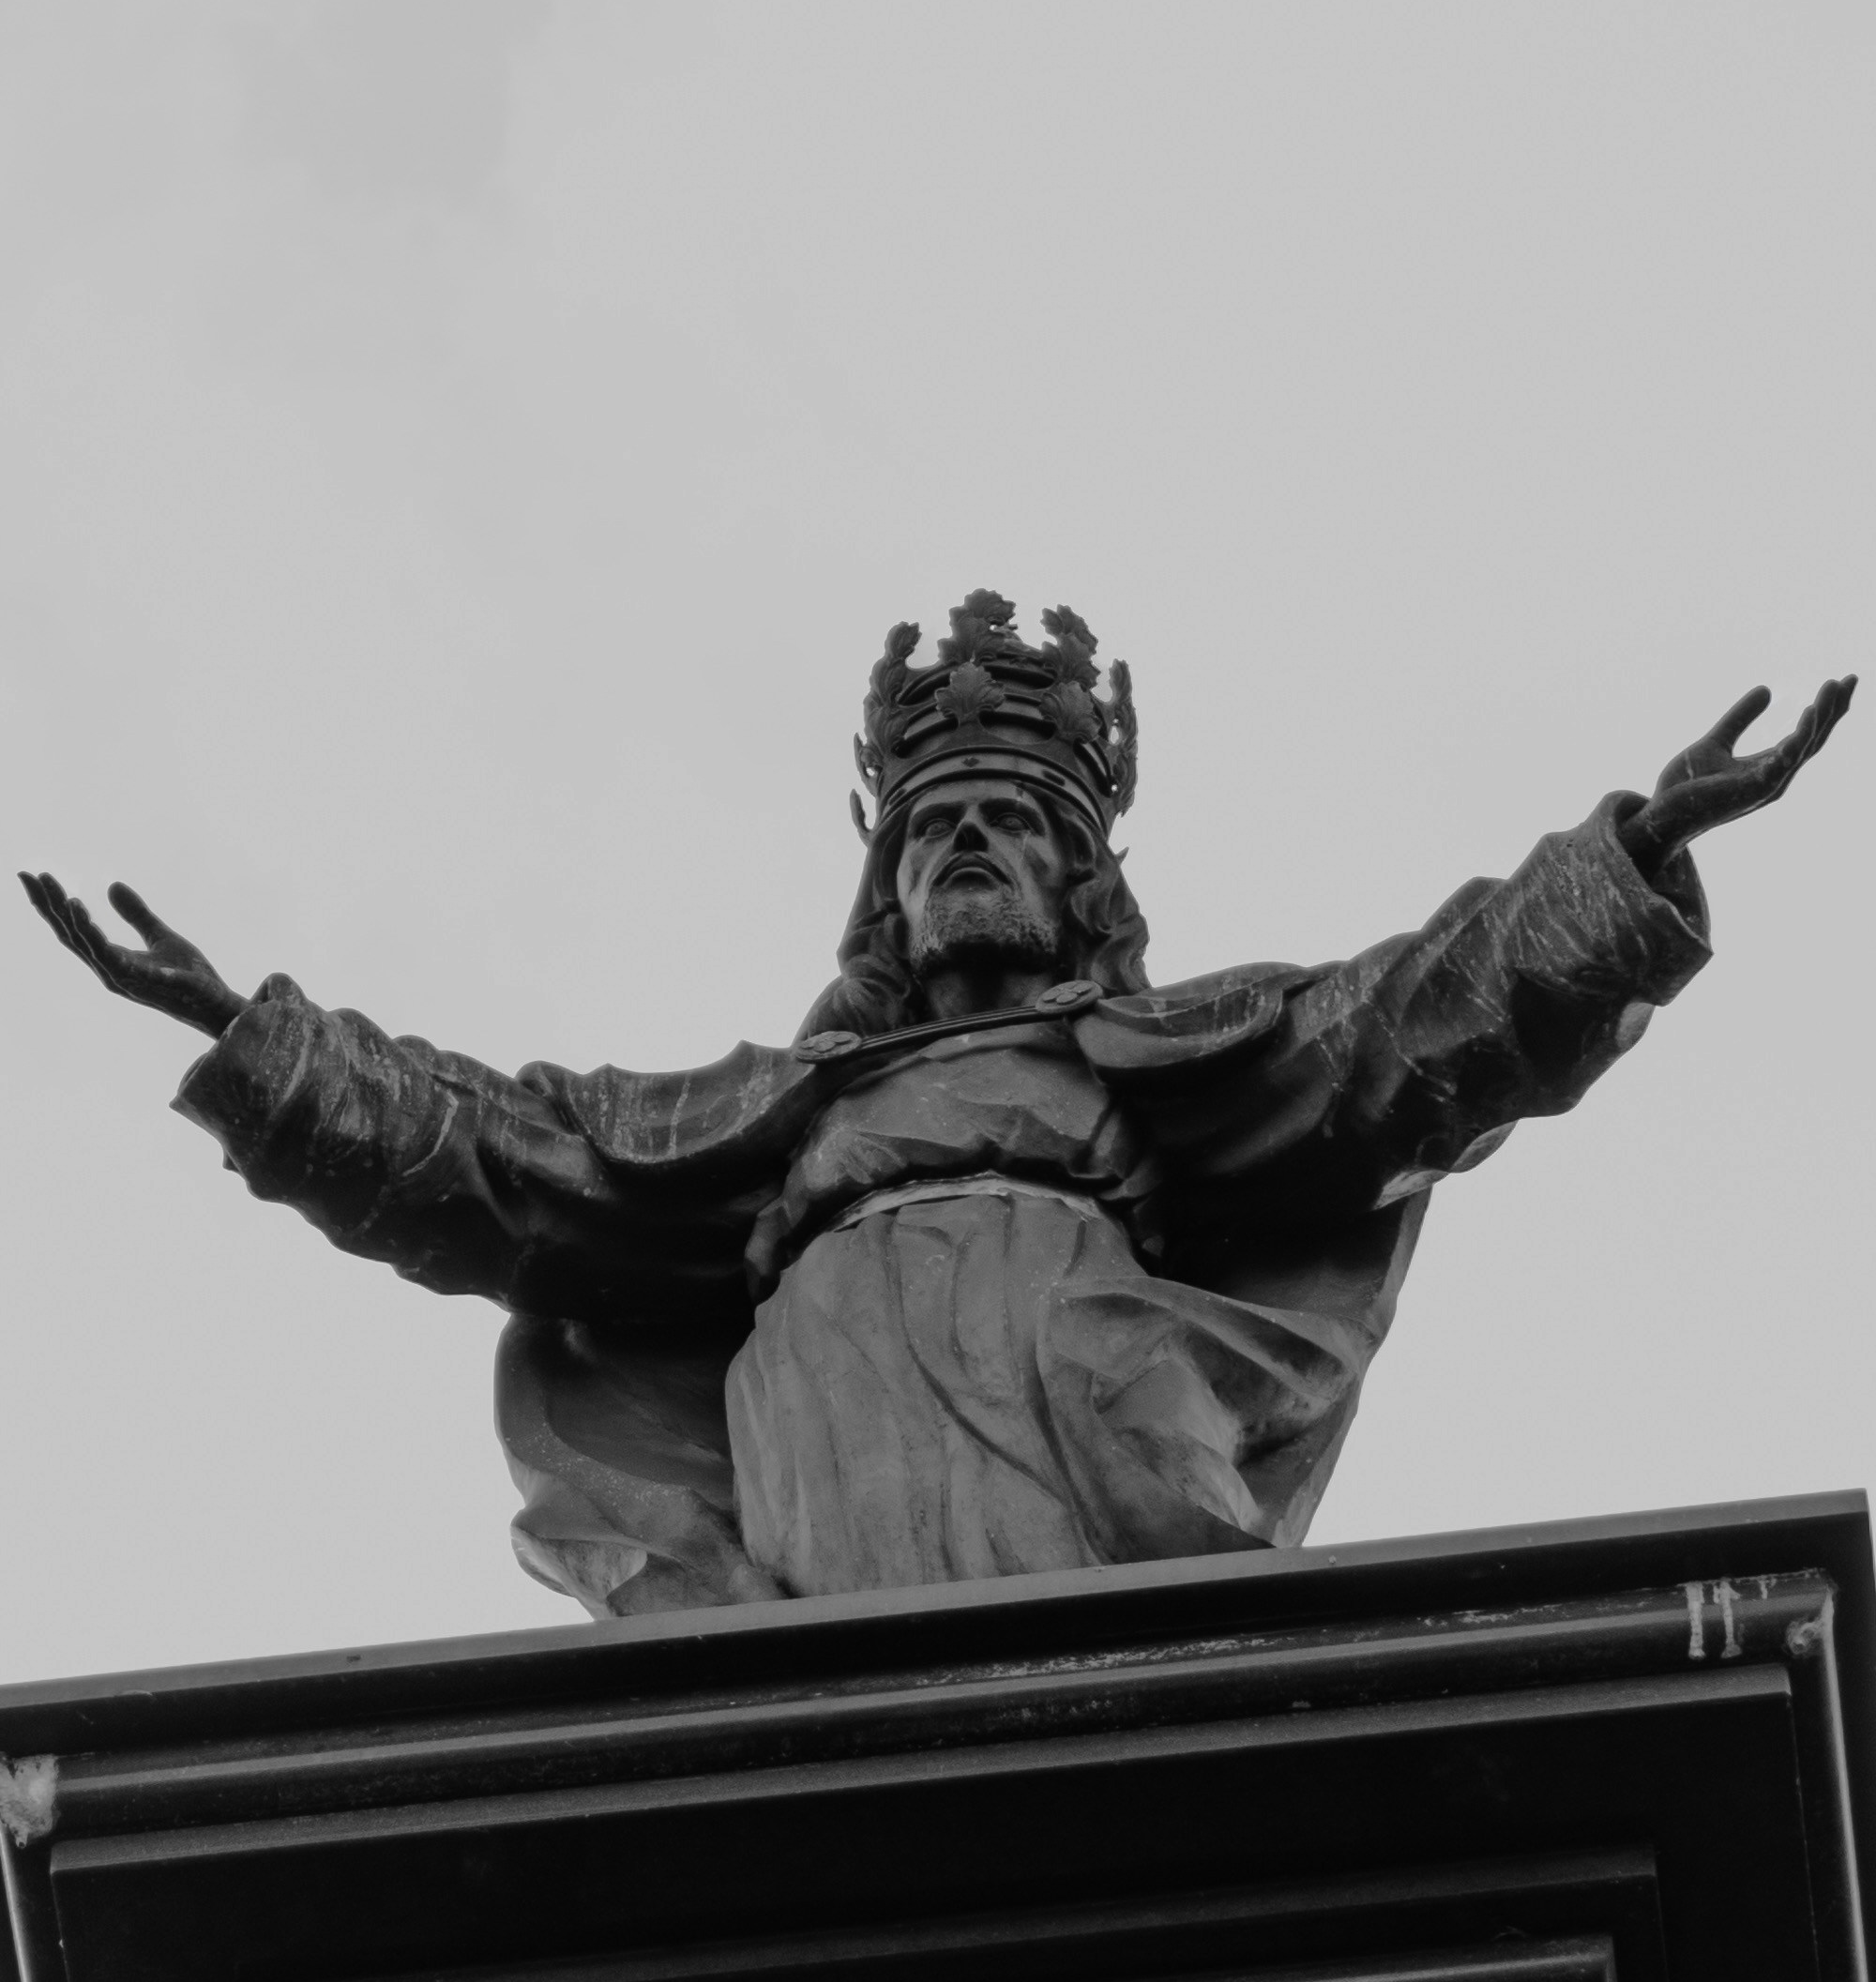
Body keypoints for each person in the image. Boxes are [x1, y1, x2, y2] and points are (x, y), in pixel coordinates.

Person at [21, 593, 1853, 1617]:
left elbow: (1418, 1023)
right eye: (938, 834)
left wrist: (1622, 860)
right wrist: (250, 1041)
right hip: (832, 1407)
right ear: (887, 894)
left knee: (1114, 1657)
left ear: (1079, 890)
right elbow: (488, 1156)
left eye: (1012, 831)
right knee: (842, 1677)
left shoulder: (1162, 1059)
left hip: (1080, 1381)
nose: (972, 851)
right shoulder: (761, 1119)